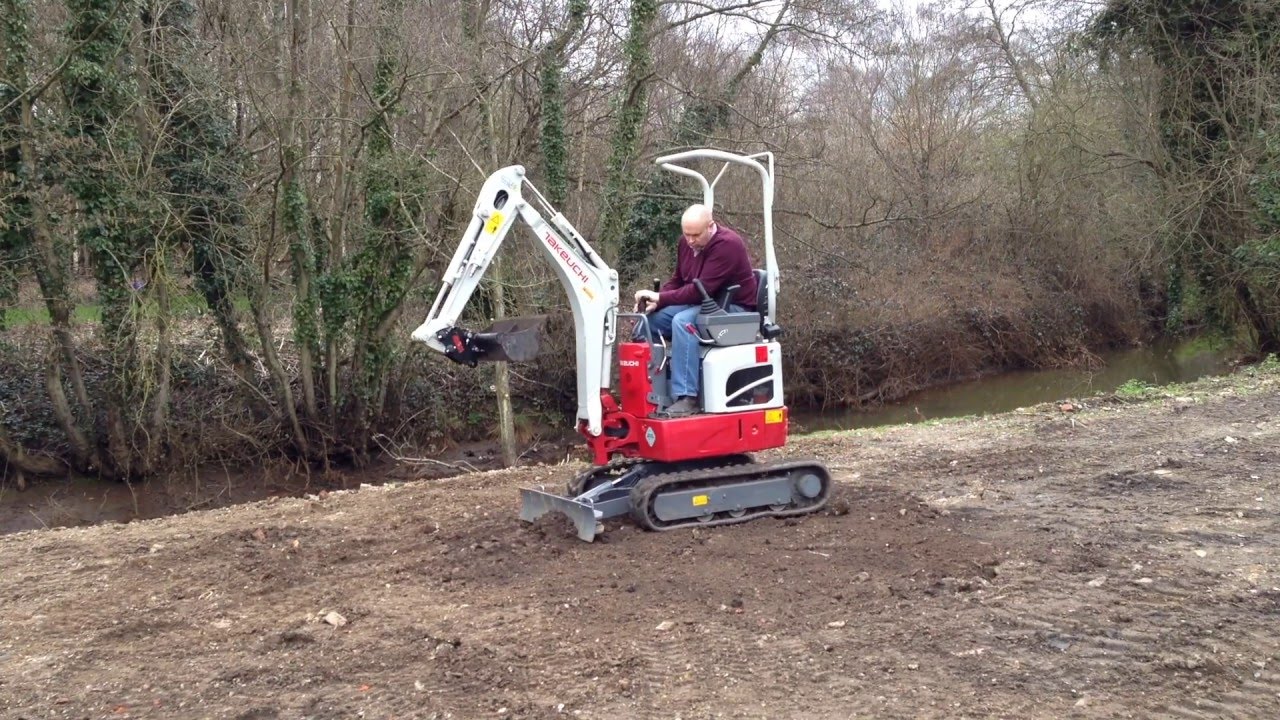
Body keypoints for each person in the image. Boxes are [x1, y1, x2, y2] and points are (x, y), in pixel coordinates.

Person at [633, 204, 758, 417]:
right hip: (704, 305)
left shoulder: (728, 245)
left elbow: (700, 290)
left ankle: (686, 397)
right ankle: (652, 391)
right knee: (648, 322)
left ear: (710, 226)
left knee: (684, 322)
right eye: (686, 234)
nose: (690, 240)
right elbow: (679, 280)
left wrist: (661, 298)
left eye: (696, 235)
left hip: (734, 310)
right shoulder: (687, 244)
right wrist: (656, 302)